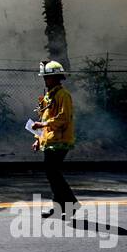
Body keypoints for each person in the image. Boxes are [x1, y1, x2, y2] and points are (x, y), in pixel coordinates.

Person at [32, 60, 81, 219]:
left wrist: (44, 124)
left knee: (53, 173)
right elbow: (43, 118)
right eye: (45, 77)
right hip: (49, 141)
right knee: (52, 174)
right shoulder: (48, 96)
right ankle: (59, 206)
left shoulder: (63, 95)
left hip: (60, 141)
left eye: (48, 77)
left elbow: (63, 118)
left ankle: (71, 203)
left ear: (57, 77)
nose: (45, 80)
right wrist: (38, 139)